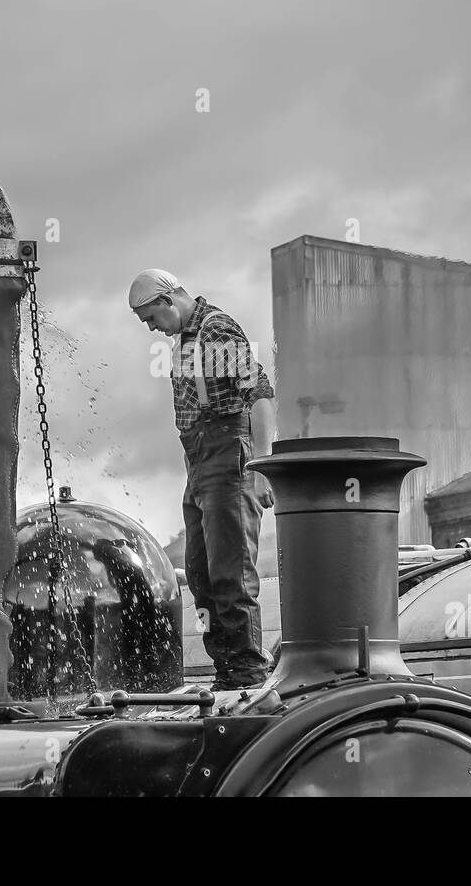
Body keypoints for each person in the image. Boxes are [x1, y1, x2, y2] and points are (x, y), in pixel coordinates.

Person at [128, 268, 276, 690]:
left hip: (229, 454)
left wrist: (262, 466)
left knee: (230, 570)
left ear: (168, 301)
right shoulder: (187, 340)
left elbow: (261, 395)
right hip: (199, 462)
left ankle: (246, 672)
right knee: (200, 571)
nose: (154, 329)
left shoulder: (216, 333)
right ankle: (226, 668)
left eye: (152, 319)